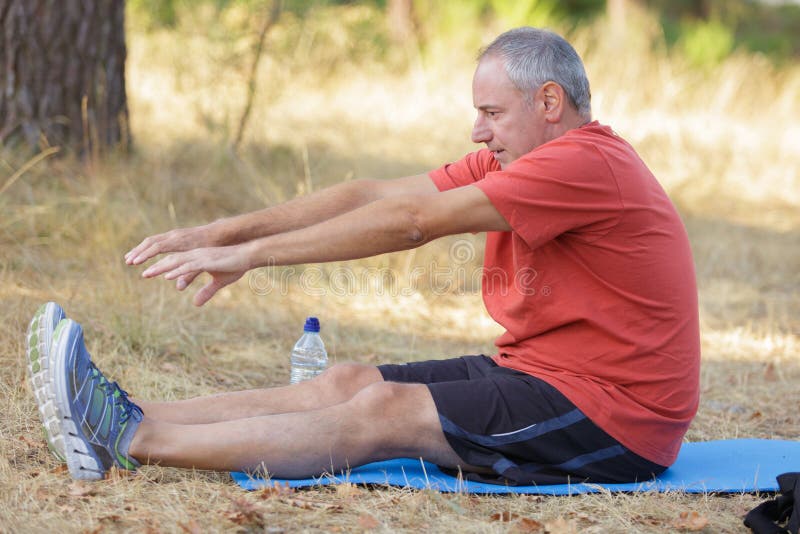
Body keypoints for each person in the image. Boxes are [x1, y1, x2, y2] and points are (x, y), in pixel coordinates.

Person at [27, 27, 700, 483]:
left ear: (549, 101)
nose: (477, 129)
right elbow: (373, 192)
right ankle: (119, 410)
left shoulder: (581, 164)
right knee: (349, 382)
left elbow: (412, 223)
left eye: (491, 112)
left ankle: (135, 442)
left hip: (618, 417)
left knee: (385, 414)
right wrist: (223, 232)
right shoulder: (533, 157)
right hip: (543, 373)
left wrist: (256, 256)